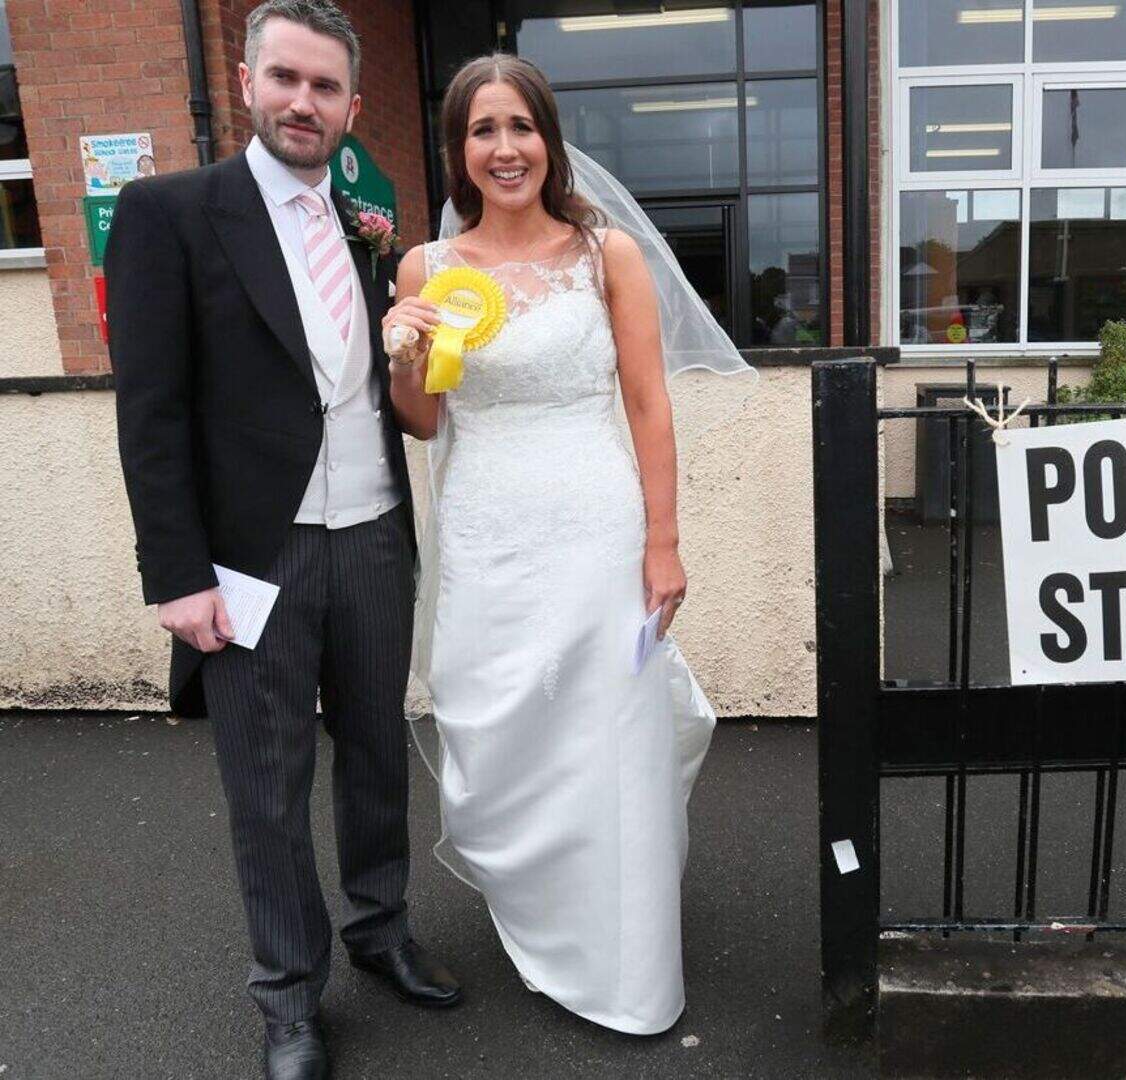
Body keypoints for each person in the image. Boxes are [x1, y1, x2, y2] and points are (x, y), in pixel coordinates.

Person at [105, 4, 460, 1078]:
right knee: (265, 785)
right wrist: (175, 578)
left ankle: (380, 930)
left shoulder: (366, 225)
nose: (303, 102)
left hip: (372, 537)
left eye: (325, 87)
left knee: (373, 757)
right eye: (285, 79)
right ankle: (288, 1000)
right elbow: (150, 411)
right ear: (249, 82)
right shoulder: (170, 212)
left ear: (352, 106)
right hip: (253, 560)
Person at [385, 53, 735, 1036]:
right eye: (482, 130)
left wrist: (662, 544)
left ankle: (626, 967)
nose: (505, 149)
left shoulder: (603, 255)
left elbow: (647, 406)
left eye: (520, 126)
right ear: (458, 150)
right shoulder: (429, 268)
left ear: (549, 139)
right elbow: (421, 420)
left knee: (603, 730)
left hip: (592, 521)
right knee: (495, 724)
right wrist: (402, 356)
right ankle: (543, 910)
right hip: (486, 528)